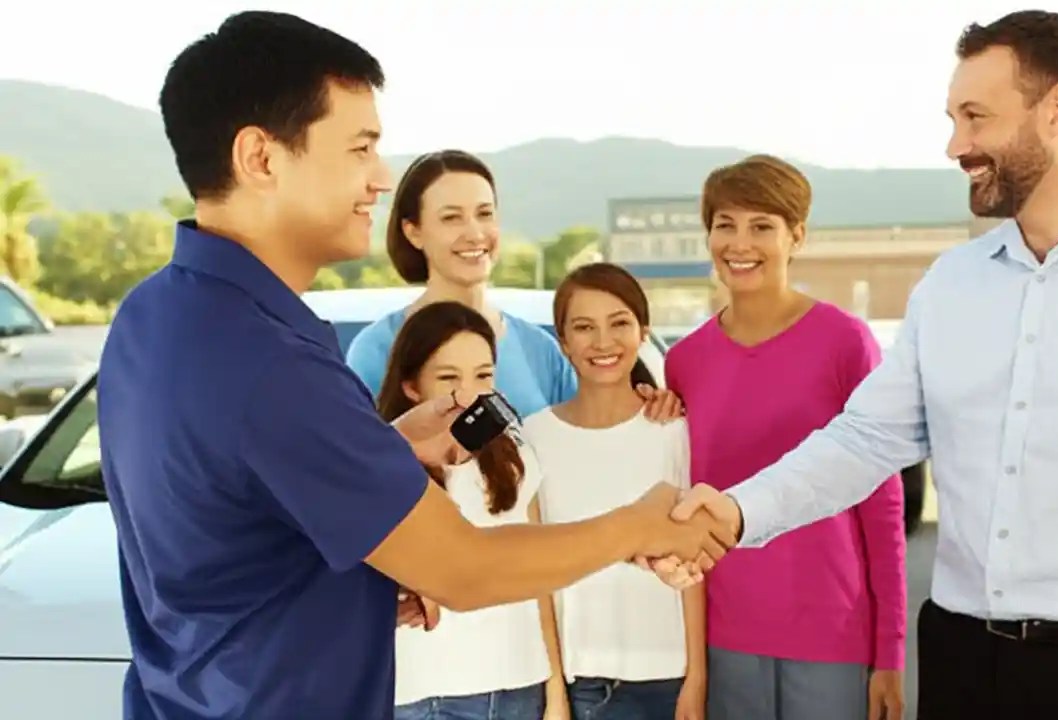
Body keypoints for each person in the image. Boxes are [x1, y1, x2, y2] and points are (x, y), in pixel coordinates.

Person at [97, 12, 733, 720]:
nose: (380, 178)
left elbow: (224, 526)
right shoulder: (271, 363)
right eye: (360, 148)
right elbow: (464, 568)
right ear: (261, 158)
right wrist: (638, 525)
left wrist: (383, 461)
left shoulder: (153, 315)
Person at [666, 10, 1058, 720]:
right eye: (953, 119)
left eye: (975, 117)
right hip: (959, 664)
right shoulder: (952, 285)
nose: (955, 144)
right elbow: (865, 440)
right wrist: (738, 511)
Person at [661, 155, 906, 720]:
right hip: (725, 635)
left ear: (797, 236)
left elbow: (881, 502)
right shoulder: (685, 361)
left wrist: (889, 651)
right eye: (725, 224)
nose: (740, 243)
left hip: (832, 633)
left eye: (762, 226)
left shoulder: (844, 342)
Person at [344, 149, 680, 422]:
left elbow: (593, 434)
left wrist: (655, 406)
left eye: (484, 213)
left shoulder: (542, 349)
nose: (475, 233)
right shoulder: (377, 349)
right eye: (451, 218)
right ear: (413, 232)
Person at [522, 262, 707, 720]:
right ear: (563, 342)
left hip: (668, 676)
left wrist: (697, 678)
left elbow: (695, 565)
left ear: (643, 332)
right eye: (584, 327)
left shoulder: (674, 431)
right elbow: (536, 575)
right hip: (581, 680)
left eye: (619, 323)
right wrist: (555, 692)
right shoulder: (535, 437)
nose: (603, 342)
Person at [375, 301, 568, 720]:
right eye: (449, 378)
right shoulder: (381, 461)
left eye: (484, 375)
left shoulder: (515, 451)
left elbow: (537, 572)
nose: (469, 393)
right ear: (411, 386)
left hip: (520, 684)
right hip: (426, 694)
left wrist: (555, 688)